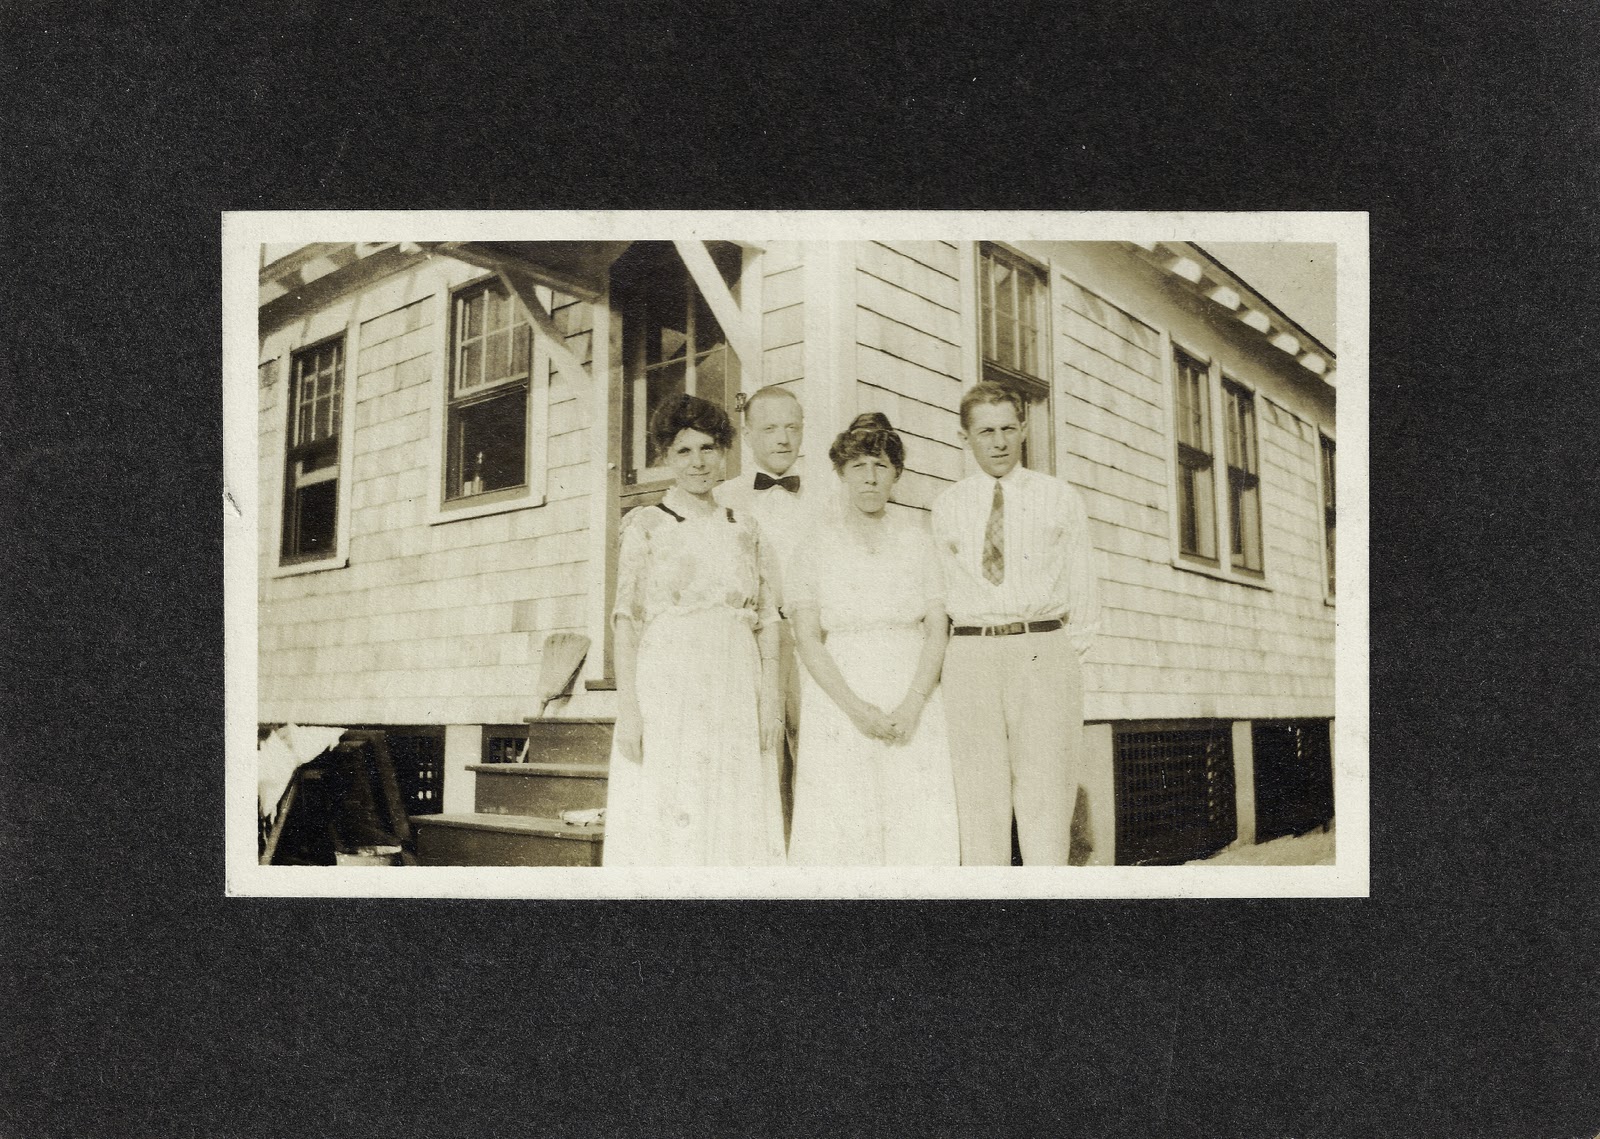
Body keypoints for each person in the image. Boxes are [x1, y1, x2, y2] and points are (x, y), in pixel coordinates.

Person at [603, 394, 786, 866]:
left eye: (708, 448)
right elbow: (626, 621)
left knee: (732, 802)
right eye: (683, 451)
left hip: (735, 683)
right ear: (665, 457)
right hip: (670, 684)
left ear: (724, 452)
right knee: (671, 800)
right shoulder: (646, 525)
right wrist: (629, 710)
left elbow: (767, 620)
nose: (698, 462)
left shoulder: (746, 528)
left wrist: (770, 700)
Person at [930, 382, 1100, 866]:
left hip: (1041, 649)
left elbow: (1085, 591)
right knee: (979, 800)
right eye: (986, 432)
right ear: (965, 437)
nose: (1000, 442)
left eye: (1008, 429)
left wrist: (1057, 656)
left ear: (1024, 429)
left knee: (1046, 798)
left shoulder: (1058, 498)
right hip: (971, 654)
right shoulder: (947, 505)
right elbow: (939, 591)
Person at [787, 413, 959, 865]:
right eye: (858, 466)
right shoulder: (815, 544)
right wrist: (856, 708)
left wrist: (914, 703)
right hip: (840, 694)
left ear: (896, 473)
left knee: (914, 817)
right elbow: (807, 637)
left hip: (910, 689)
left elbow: (937, 626)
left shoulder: (918, 540)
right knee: (844, 821)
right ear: (841, 472)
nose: (869, 477)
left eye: (880, 465)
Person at [715, 385, 810, 837]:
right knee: (760, 751)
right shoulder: (722, 499)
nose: (783, 439)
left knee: (814, 751)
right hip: (752, 643)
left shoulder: (829, 497)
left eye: (792, 427)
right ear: (748, 433)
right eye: (770, 428)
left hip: (813, 641)